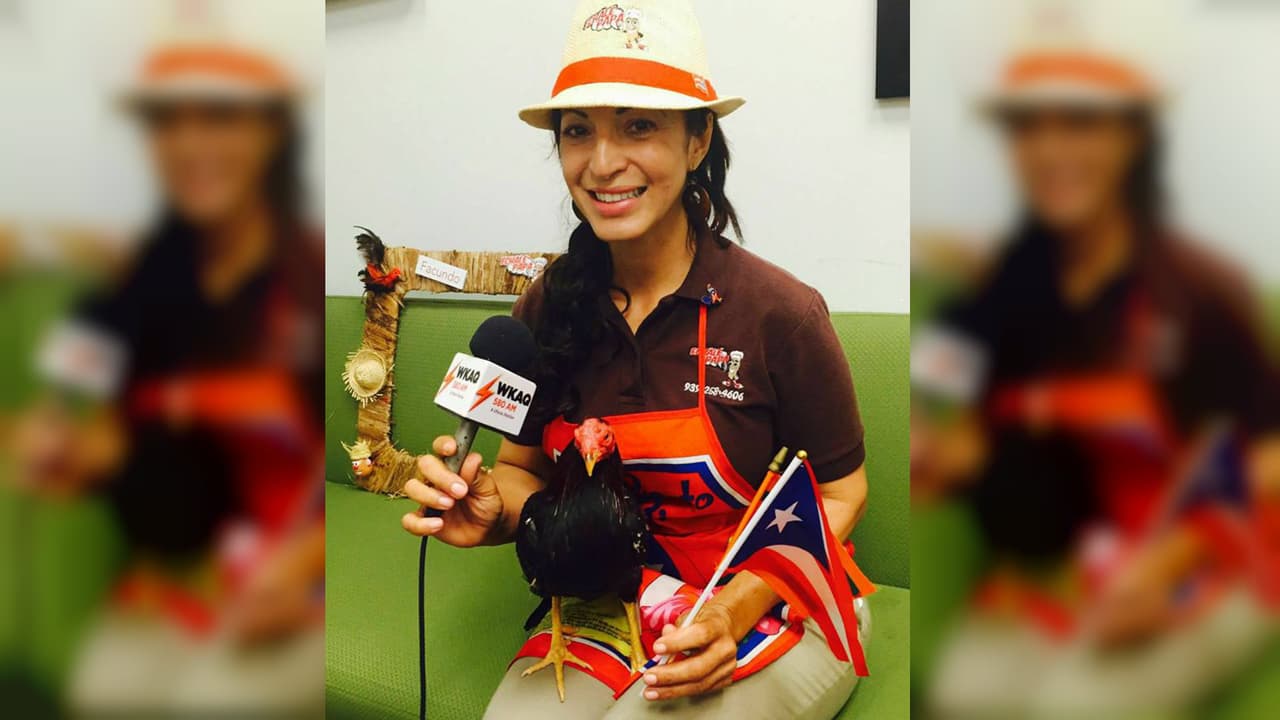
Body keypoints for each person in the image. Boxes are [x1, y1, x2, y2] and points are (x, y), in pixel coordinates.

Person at [401, 1, 872, 718]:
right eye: (577, 131)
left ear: (697, 140)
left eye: (639, 126)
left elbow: (841, 495)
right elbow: (521, 472)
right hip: (615, 592)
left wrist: (733, 608)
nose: (601, 163)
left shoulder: (780, 314)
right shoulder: (549, 305)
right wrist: (497, 514)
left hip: (774, 593)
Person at [913, 9, 1280, 716]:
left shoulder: (1200, 291)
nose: (1051, 149)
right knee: (961, 692)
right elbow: (953, 398)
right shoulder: (1006, 285)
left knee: (1076, 706)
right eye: (1029, 126)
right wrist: (938, 445)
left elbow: (1270, 452)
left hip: (1213, 559)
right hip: (1073, 573)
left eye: (1081, 122)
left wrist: (1170, 559)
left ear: (1133, 135)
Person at [13, 34, 325, 716]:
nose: (189, 144)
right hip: (174, 584)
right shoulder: (143, 276)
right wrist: (58, 437)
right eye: (167, 122)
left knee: (214, 701)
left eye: (219, 117)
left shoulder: (308, 281)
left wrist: (306, 566)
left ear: (272, 132)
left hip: (302, 586)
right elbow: (77, 400)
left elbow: (350, 474)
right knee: (101, 689)